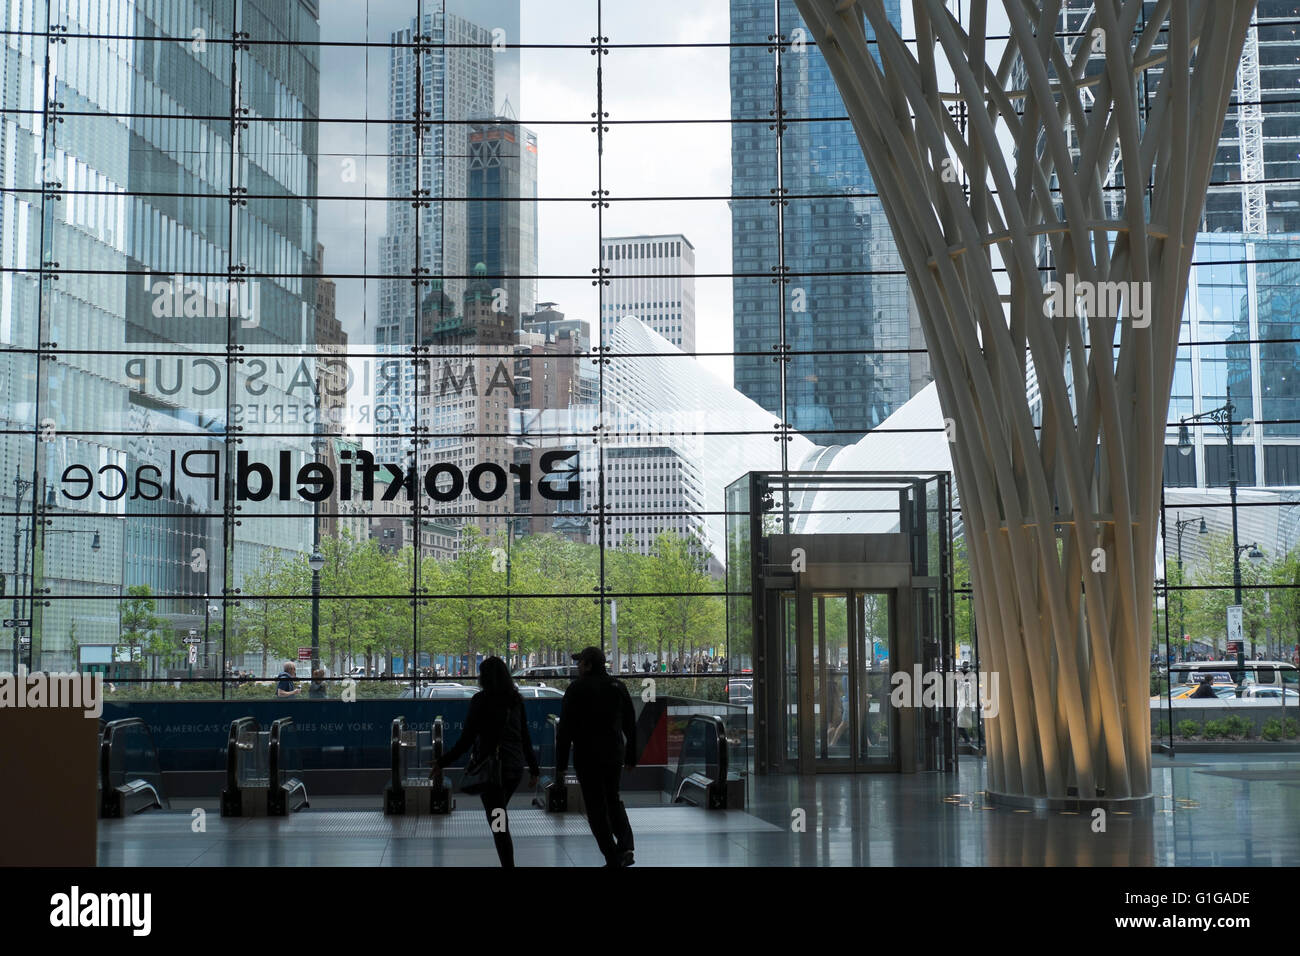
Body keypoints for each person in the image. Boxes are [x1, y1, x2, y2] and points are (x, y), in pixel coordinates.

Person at [432, 656, 539, 867]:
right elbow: (525, 737)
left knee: (498, 823)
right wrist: (534, 769)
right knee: (499, 816)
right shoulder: (515, 700)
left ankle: (508, 864)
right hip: (514, 769)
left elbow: (467, 738)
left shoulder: (481, 701)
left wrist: (442, 762)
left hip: (492, 771)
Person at [556, 646, 637, 867]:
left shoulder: (576, 689)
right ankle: (626, 845)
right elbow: (630, 723)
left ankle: (612, 857)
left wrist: (561, 765)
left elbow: (565, 730)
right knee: (612, 798)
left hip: (587, 756)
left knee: (595, 806)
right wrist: (631, 756)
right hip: (614, 754)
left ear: (589, 665)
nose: (577, 666)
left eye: (580, 662)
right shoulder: (617, 686)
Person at [956, 662, 976, 745]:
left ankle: (967, 739)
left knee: (959, 724)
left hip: (963, 706)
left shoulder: (966, 685)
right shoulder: (962, 684)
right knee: (959, 724)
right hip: (962, 705)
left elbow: (967, 696)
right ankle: (966, 739)